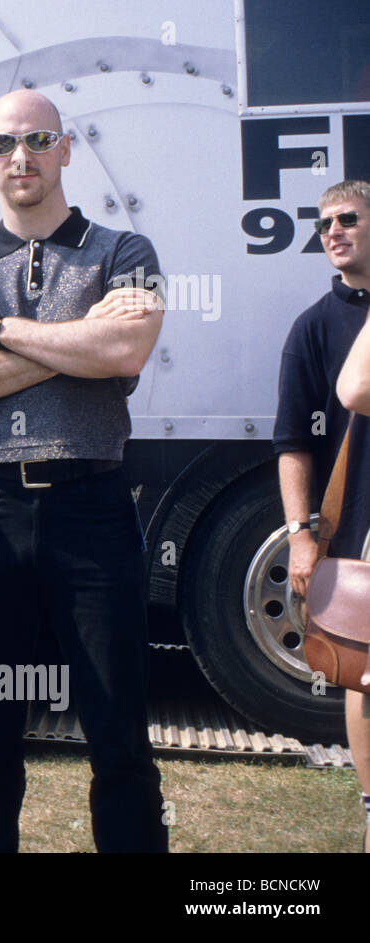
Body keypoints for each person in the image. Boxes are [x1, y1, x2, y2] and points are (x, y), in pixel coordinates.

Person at [0, 89, 167, 853]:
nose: (19, 157)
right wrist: (76, 341)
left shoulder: (125, 251)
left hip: (91, 510)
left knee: (117, 731)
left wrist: (1, 333)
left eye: (37, 139)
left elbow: (124, 349)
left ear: (65, 149)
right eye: (2, 143)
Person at [278, 179, 370, 851]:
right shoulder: (314, 326)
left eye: (348, 219)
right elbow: (293, 444)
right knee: (366, 674)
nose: (333, 231)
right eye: (323, 223)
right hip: (362, 523)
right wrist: (300, 535)